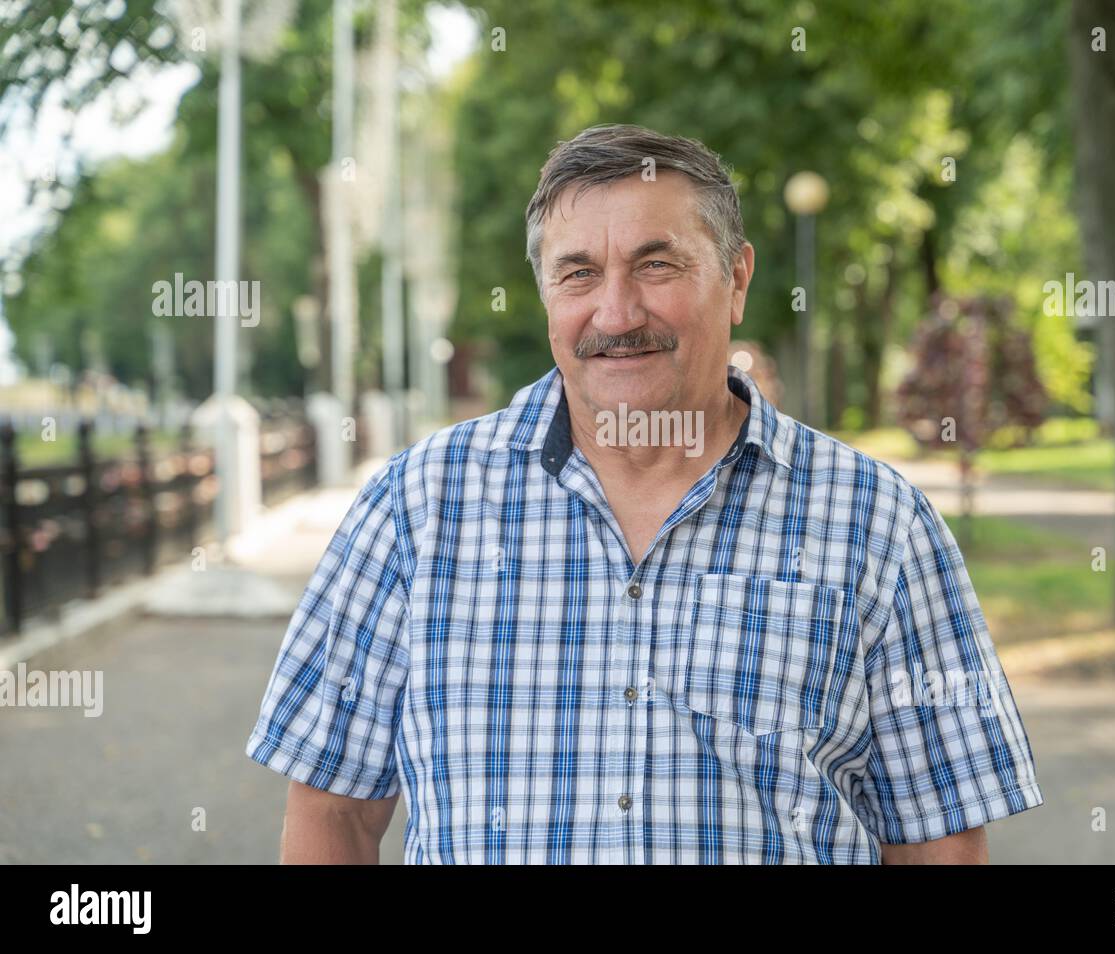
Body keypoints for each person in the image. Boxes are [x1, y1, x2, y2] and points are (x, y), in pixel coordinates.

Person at [245, 123, 1043, 864]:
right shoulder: (413, 510)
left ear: (735, 278)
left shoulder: (879, 524)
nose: (616, 312)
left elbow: (937, 834)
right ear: (547, 294)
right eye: (579, 273)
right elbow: (333, 814)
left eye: (656, 265)